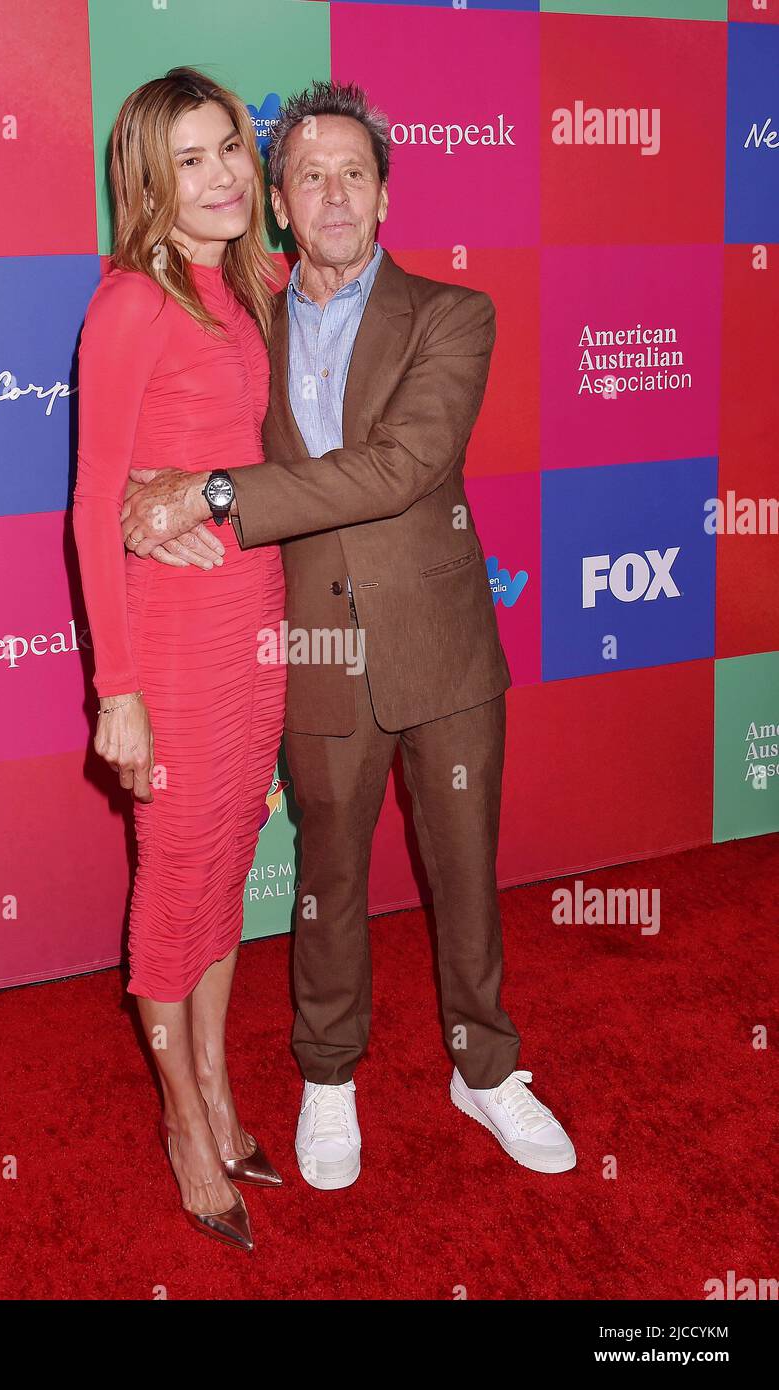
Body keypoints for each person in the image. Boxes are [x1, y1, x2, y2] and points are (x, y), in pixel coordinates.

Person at [123, 78, 576, 1190]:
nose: (332, 194)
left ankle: (484, 1065)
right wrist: (144, 507)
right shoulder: (244, 318)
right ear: (276, 203)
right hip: (312, 651)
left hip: (445, 649)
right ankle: (329, 1075)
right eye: (307, 175)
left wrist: (211, 497)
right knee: (324, 874)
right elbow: (158, 418)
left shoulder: (452, 315)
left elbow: (402, 468)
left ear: (385, 194)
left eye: (353, 174)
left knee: (462, 869)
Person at [72, 67, 288, 1250]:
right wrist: (119, 691)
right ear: (147, 182)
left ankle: (213, 1078)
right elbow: (92, 495)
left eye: (228, 151)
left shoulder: (245, 284)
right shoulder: (129, 303)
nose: (218, 177)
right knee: (175, 874)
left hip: (255, 614)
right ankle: (179, 1118)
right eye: (188, 160)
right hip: (169, 635)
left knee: (227, 860)